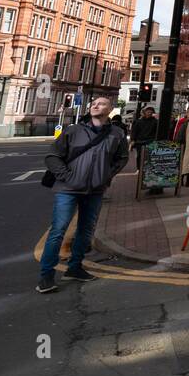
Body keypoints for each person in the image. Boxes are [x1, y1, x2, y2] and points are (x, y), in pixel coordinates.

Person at [37, 95, 129, 293]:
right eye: (93, 103)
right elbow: (52, 156)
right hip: (68, 189)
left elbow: (122, 158)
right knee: (58, 230)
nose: (96, 105)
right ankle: (46, 275)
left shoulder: (117, 133)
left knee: (86, 230)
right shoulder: (73, 130)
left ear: (110, 109)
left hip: (95, 189)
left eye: (101, 103)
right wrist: (67, 176)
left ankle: (75, 267)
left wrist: (105, 176)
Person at [130, 106, 158, 170]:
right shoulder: (138, 122)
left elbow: (156, 132)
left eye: (151, 112)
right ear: (145, 112)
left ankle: (147, 169)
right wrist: (133, 140)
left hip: (150, 141)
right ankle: (139, 169)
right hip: (140, 142)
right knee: (139, 156)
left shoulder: (155, 122)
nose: (149, 113)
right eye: (148, 112)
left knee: (149, 156)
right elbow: (134, 131)